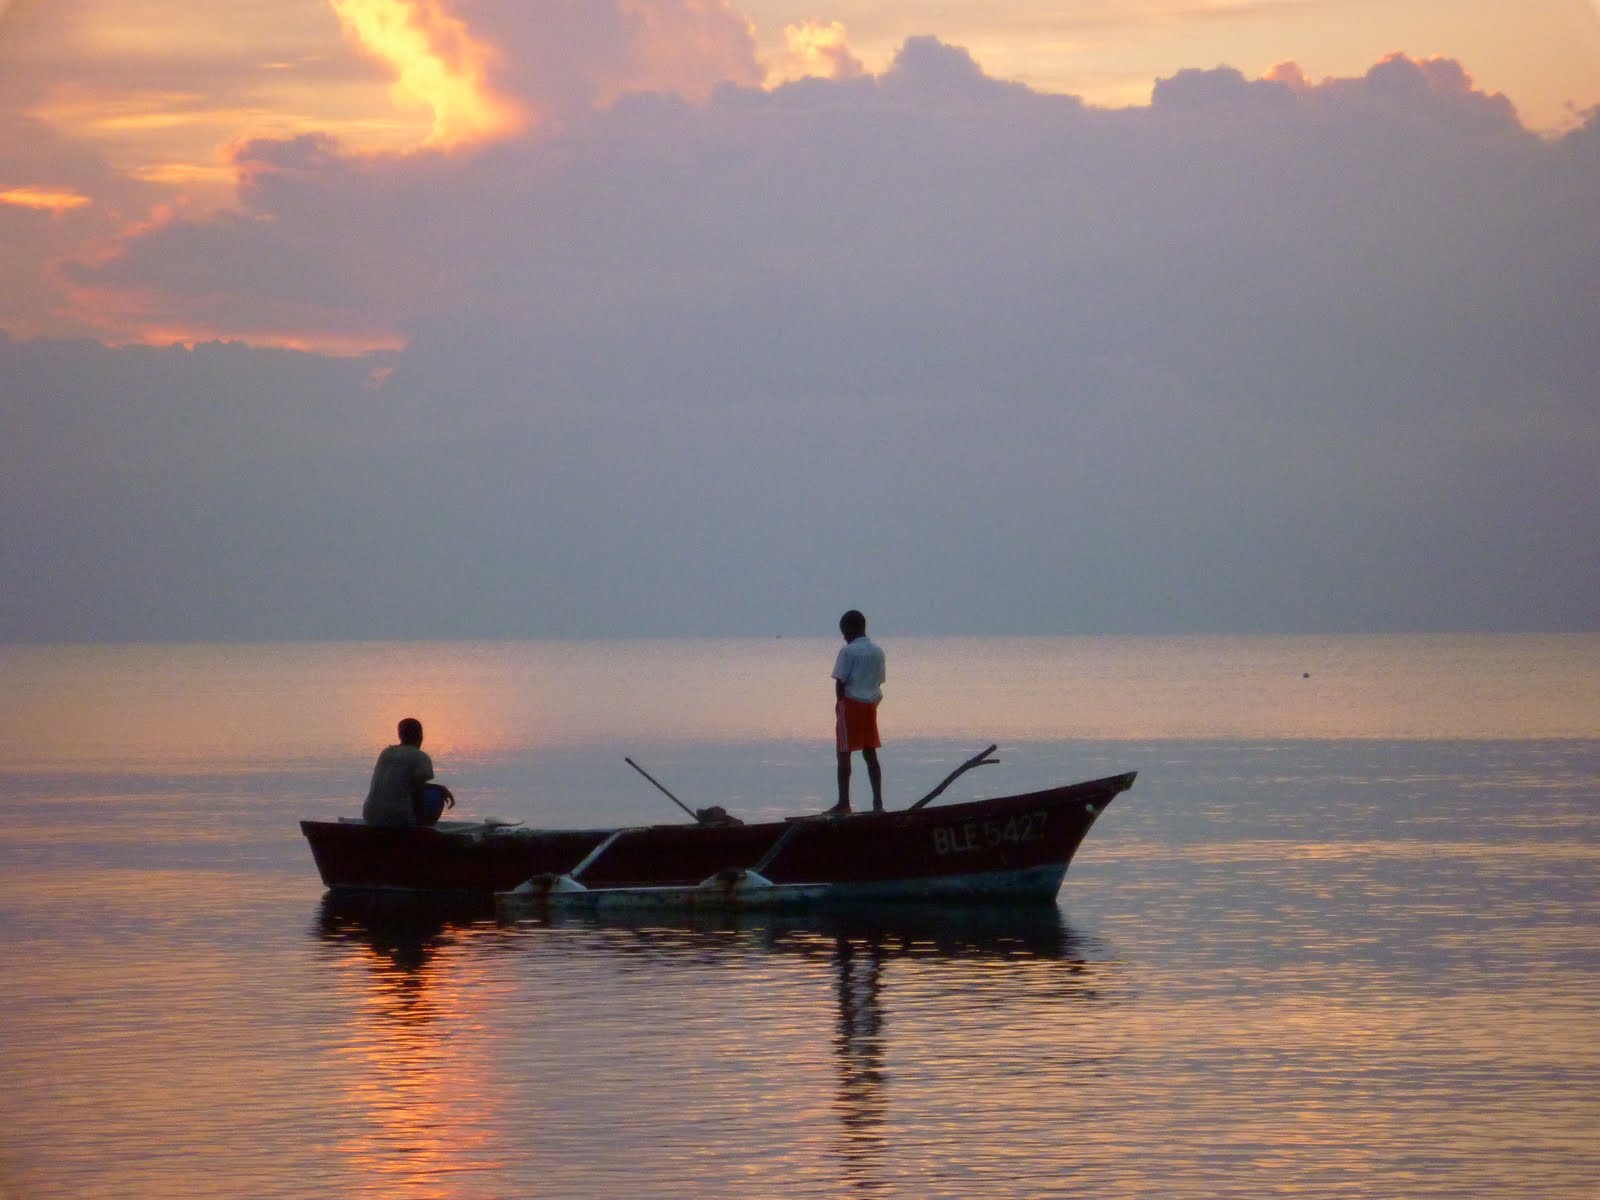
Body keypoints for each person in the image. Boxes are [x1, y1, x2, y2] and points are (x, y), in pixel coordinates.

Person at [828, 609, 886, 815]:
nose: (843, 637)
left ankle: (844, 803)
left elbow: (840, 681)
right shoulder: (878, 651)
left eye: (844, 632)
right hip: (871, 705)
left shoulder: (848, 651)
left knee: (843, 752)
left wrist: (840, 705)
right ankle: (878, 803)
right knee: (870, 752)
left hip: (850, 704)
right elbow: (880, 681)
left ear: (850, 630)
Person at [362, 717, 455, 826]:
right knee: (435, 795)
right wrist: (420, 825)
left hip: (370, 815)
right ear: (420, 735)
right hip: (398, 817)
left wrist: (438, 787)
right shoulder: (421, 757)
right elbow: (417, 791)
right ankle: (422, 829)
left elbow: (401, 783)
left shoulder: (386, 753)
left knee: (435, 790)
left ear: (400, 736)